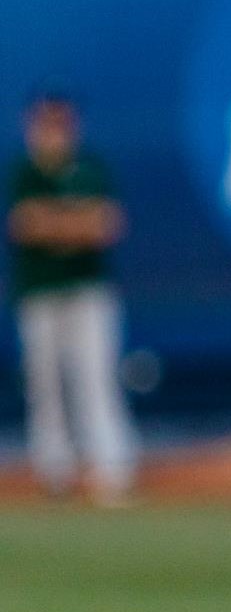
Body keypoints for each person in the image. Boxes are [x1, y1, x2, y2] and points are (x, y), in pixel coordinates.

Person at [8, 84, 138, 507]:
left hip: (87, 289)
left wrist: (56, 224)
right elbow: (24, 224)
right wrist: (73, 224)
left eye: (61, 123)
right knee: (44, 382)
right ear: (31, 127)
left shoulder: (89, 166)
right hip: (40, 292)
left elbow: (107, 224)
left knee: (96, 377)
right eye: (46, 123)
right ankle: (55, 470)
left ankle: (111, 466)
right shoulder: (23, 172)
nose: (55, 132)